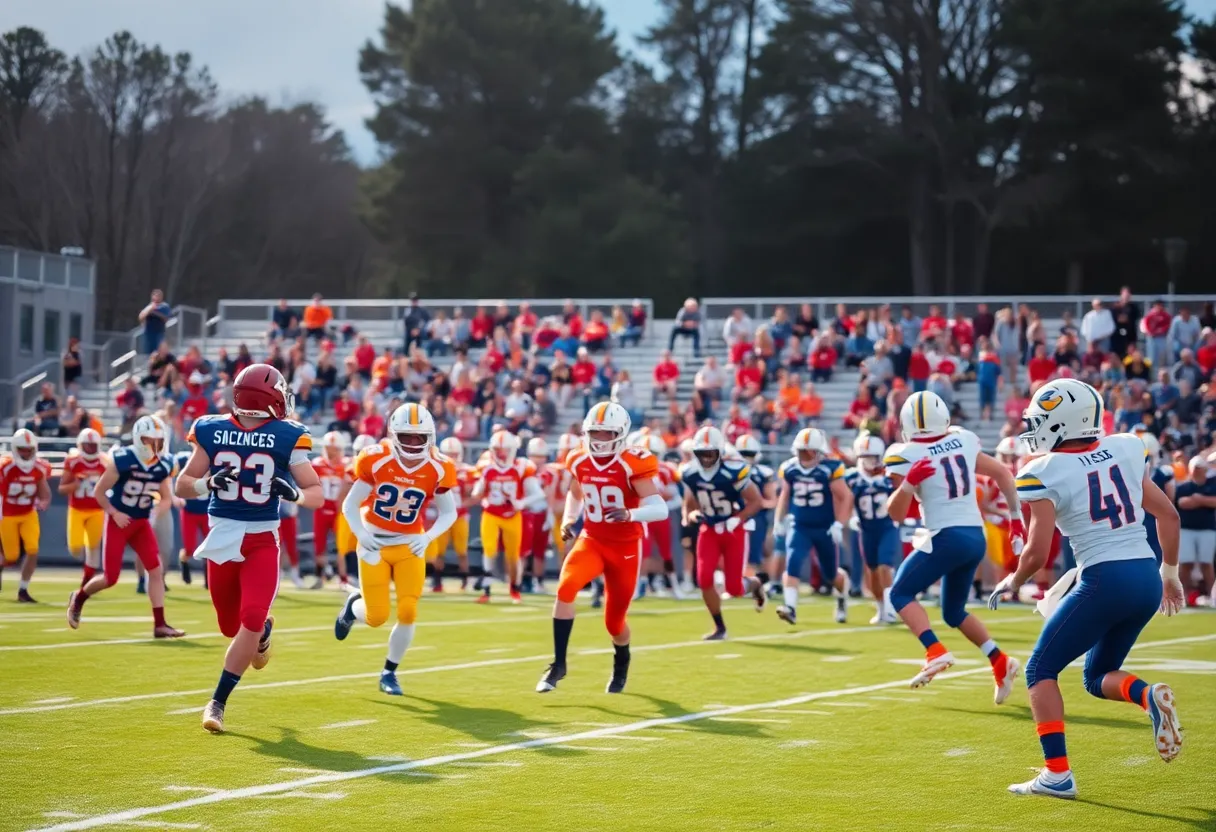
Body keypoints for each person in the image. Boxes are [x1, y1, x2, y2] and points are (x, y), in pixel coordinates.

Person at [990, 377, 1184, 798]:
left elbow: (1038, 552)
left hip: (1103, 578)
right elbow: (1168, 515)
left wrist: (1013, 580)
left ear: (1061, 421)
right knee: (1096, 677)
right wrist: (1169, 574)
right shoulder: (1126, 448)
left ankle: (1057, 775)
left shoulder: (1043, 470)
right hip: (1145, 576)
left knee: (1040, 670)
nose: (1033, 427)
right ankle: (1149, 696)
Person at [174, 364, 323, 734]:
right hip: (223, 535)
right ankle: (264, 631)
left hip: (261, 538)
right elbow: (182, 484)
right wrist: (207, 483)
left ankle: (217, 703)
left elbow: (316, 494)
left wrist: (296, 494)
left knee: (251, 617)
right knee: (230, 626)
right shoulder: (213, 429)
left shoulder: (287, 436)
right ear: (270, 397)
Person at [883, 391, 1021, 704]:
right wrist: (1016, 520)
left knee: (900, 593)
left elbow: (893, 513)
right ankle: (1000, 661)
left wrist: (907, 484)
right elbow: (1002, 472)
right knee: (953, 611)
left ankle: (935, 650)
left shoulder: (907, 452)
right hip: (975, 536)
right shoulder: (963, 439)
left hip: (947, 535)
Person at [536, 401, 666, 694]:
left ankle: (622, 663)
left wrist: (631, 514)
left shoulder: (633, 462)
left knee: (614, 622)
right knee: (566, 587)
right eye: (595, 433)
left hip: (625, 548)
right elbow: (575, 491)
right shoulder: (579, 459)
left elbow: (660, 509)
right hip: (592, 539)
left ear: (620, 434)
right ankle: (558, 664)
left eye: (607, 434)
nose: (599, 440)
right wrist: (570, 518)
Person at [333, 403, 457, 696]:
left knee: (408, 610)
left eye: (419, 437)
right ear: (393, 434)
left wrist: (427, 538)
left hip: (409, 543)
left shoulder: (439, 467)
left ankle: (389, 672)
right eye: (407, 437)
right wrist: (362, 535)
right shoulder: (376, 458)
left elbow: (448, 513)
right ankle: (353, 606)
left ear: (431, 436)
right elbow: (350, 504)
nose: (414, 444)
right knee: (376, 617)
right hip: (374, 541)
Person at [66, 417, 181, 633]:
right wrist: (114, 512)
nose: (154, 446)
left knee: (156, 571)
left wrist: (156, 513)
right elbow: (99, 492)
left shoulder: (164, 464)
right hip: (119, 521)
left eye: (158, 441)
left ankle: (160, 624)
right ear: (139, 439)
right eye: (149, 441)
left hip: (140, 523)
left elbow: (166, 497)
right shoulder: (123, 459)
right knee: (111, 578)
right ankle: (79, 598)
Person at [680, 425, 767, 639]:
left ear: (720, 452)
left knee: (735, 588)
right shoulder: (691, 473)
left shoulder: (733, 472)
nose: (707, 458)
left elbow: (756, 501)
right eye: (702, 453)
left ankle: (754, 584)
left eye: (711, 453)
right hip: (708, 529)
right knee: (704, 579)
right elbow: (689, 504)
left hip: (733, 531)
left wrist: (737, 519)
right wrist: (689, 517)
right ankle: (720, 627)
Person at [773, 427, 852, 625]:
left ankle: (842, 599)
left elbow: (846, 496)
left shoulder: (829, 468)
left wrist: (839, 524)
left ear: (819, 451)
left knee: (831, 574)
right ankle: (790, 608)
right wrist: (778, 519)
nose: (806, 455)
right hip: (800, 525)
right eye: (803, 451)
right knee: (793, 563)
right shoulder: (790, 469)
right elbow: (784, 495)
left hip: (824, 527)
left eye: (810, 451)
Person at [472, 430, 546, 603]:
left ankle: (515, 588)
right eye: (498, 449)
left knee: (513, 556)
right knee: (489, 549)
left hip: (513, 515)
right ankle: (486, 590)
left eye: (504, 449)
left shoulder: (521, 467)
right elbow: (478, 490)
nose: (501, 454)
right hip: (491, 513)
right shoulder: (486, 466)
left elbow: (539, 494)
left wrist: (522, 503)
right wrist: (479, 491)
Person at [846, 434, 900, 625]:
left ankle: (891, 609)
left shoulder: (890, 475)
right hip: (866, 529)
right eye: (864, 457)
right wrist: (851, 515)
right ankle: (881, 609)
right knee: (872, 571)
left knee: (885, 566)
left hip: (887, 526)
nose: (869, 461)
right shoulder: (851, 477)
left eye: (872, 457)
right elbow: (844, 499)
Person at [0, 430, 52, 602]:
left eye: (29, 449)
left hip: (28, 513)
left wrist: (43, 502)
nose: (26, 453)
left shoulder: (39, 467)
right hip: (7, 514)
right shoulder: (6, 467)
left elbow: (45, 493)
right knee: (11, 556)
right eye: (22, 449)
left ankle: (23, 590)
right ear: (15, 449)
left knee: (32, 549)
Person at [427, 437, 477, 591]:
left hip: (460, 515)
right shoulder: (435, 470)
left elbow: (474, 496)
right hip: (442, 516)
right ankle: (437, 581)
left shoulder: (467, 472)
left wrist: (462, 503)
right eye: (449, 454)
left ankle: (464, 580)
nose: (451, 457)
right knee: (439, 551)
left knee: (461, 551)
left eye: (454, 454)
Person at [60, 428, 107, 589]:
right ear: (80, 445)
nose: (90, 449)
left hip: (97, 509)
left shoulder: (104, 462)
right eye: (87, 445)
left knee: (94, 546)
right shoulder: (73, 461)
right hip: (77, 509)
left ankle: (87, 580)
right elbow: (62, 488)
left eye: (93, 445)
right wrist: (75, 484)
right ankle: (87, 574)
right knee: (75, 548)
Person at [311, 432, 353, 590]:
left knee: (342, 545)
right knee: (319, 544)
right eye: (328, 448)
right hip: (321, 508)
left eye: (334, 449)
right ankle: (319, 576)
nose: (331, 452)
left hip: (339, 509)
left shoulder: (346, 466)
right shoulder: (317, 464)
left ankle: (343, 578)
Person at [735, 434, 777, 592]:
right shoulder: (730, 471)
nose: (746, 458)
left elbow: (772, 500)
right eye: (743, 454)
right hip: (735, 516)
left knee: (755, 553)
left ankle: (760, 584)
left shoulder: (762, 473)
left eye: (749, 454)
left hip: (756, 518)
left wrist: (755, 504)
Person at [1174, 457, 1216, 604]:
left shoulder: (1213, 485)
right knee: (1186, 563)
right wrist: (1204, 501)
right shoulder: (1183, 487)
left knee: (1207, 563)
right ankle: (1184, 595)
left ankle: (1212, 596)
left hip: (1207, 529)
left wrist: (1199, 499)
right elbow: (1181, 503)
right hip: (1186, 529)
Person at [174, 447, 211, 587]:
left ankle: (208, 578)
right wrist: (174, 495)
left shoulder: (215, 458)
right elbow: (172, 476)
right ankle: (184, 562)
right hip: (190, 510)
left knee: (210, 547)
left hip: (208, 511)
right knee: (189, 548)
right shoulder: (184, 459)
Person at [139, 289, 172, 354]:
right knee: (147, 353)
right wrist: (146, 312)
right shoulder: (149, 306)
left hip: (158, 333)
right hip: (148, 333)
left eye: (158, 295)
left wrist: (153, 312)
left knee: (158, 352)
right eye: (154, 295)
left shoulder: (164, 306)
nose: (156, 297)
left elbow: (166, 318)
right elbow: (141, 317)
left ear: (161, 297)